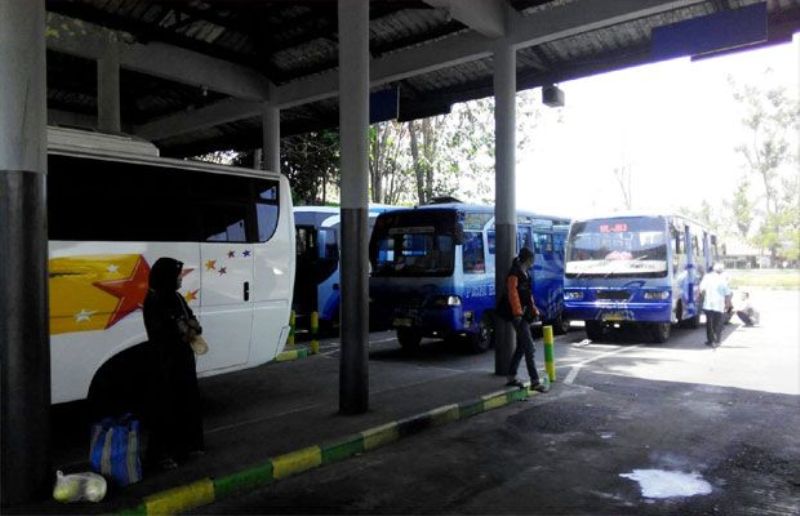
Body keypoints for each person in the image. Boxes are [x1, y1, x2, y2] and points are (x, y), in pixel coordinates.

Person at [143, 257, 205, 470]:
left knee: (186, 402)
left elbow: (191, 319)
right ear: (166, 277)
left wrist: (192, 327)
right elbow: (161, 331)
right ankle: (161, 455)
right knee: (166, 406)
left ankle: (187, 447)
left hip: (183, 359)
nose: (180, 279)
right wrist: (180, 328)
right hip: (165, 362)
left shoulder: (176, 298)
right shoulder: (154, 300)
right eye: (177, 276)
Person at [503, 247, 547, 392]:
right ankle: (534, 381)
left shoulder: (525, 273)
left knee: (522, 347)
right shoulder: (514, 274)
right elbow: (512, 295)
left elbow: (527, 296)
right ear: (528, 259)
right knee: (529, 347)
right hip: (518, 316)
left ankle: (511, 376)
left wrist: (534, 310)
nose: (533, 261)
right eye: (532, 259)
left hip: (524, 314)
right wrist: (517, 314)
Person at [698, 262, 732, 347]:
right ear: (721, 271)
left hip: (708, 304)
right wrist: (727, 303)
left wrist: (703, 298)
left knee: (709, 323)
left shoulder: (707, 277)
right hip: (719, 305)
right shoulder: (723, 279)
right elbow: (727, 293)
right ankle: (717, 340)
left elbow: (702, 290)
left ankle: (710, 341)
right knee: (718, 324)